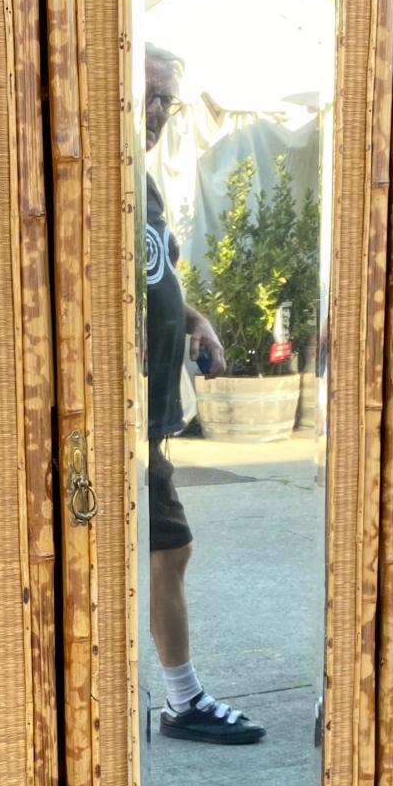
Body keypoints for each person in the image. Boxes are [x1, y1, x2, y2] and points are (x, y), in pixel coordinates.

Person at [142, 45, 264, 745]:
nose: (156, 111)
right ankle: (180, 698)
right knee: (171, 548)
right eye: (148, 95)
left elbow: (165, 289)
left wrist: (200, 323)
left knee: (167, 551)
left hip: (152, 415)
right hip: (120, 415)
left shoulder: (146, 189)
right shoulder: (103, 184)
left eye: (167, 100)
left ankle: (177, 695)